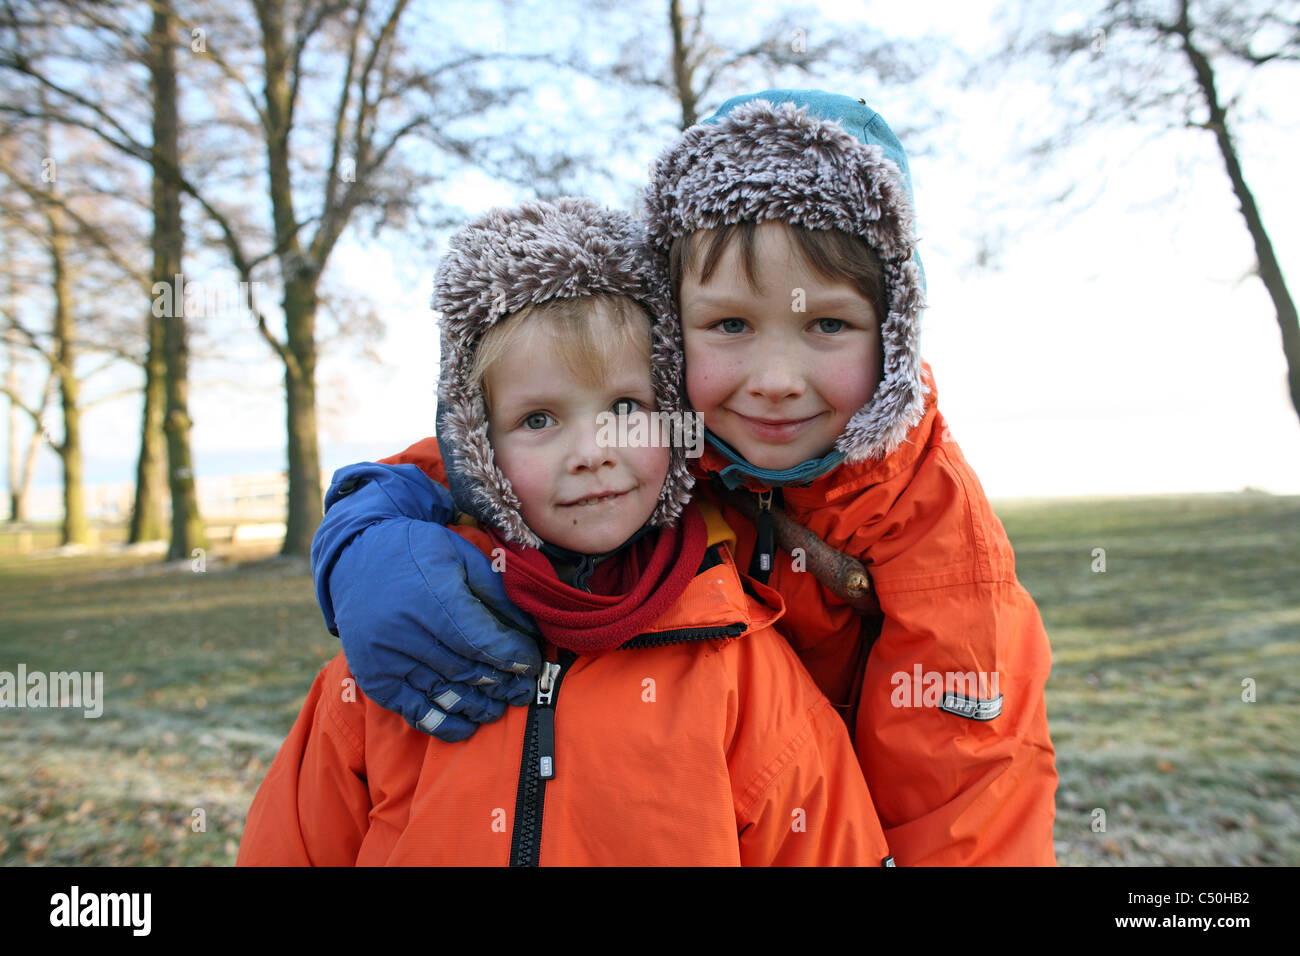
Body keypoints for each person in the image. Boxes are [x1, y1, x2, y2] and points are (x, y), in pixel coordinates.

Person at [314, 91, 1059, 866]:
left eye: (827, 325)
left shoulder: (928, 522)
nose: (774, 380)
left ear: (896, 332)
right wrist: (370, 541)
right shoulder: (659, 443)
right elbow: (475, 459)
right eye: (730, 325)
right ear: (671, 334)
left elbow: (971, 796)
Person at [238, 197, 892, 866]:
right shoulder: (396, 659)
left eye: (626, 407)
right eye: (540, 420)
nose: (591, 451)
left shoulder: (741, 671)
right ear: (476, 449)